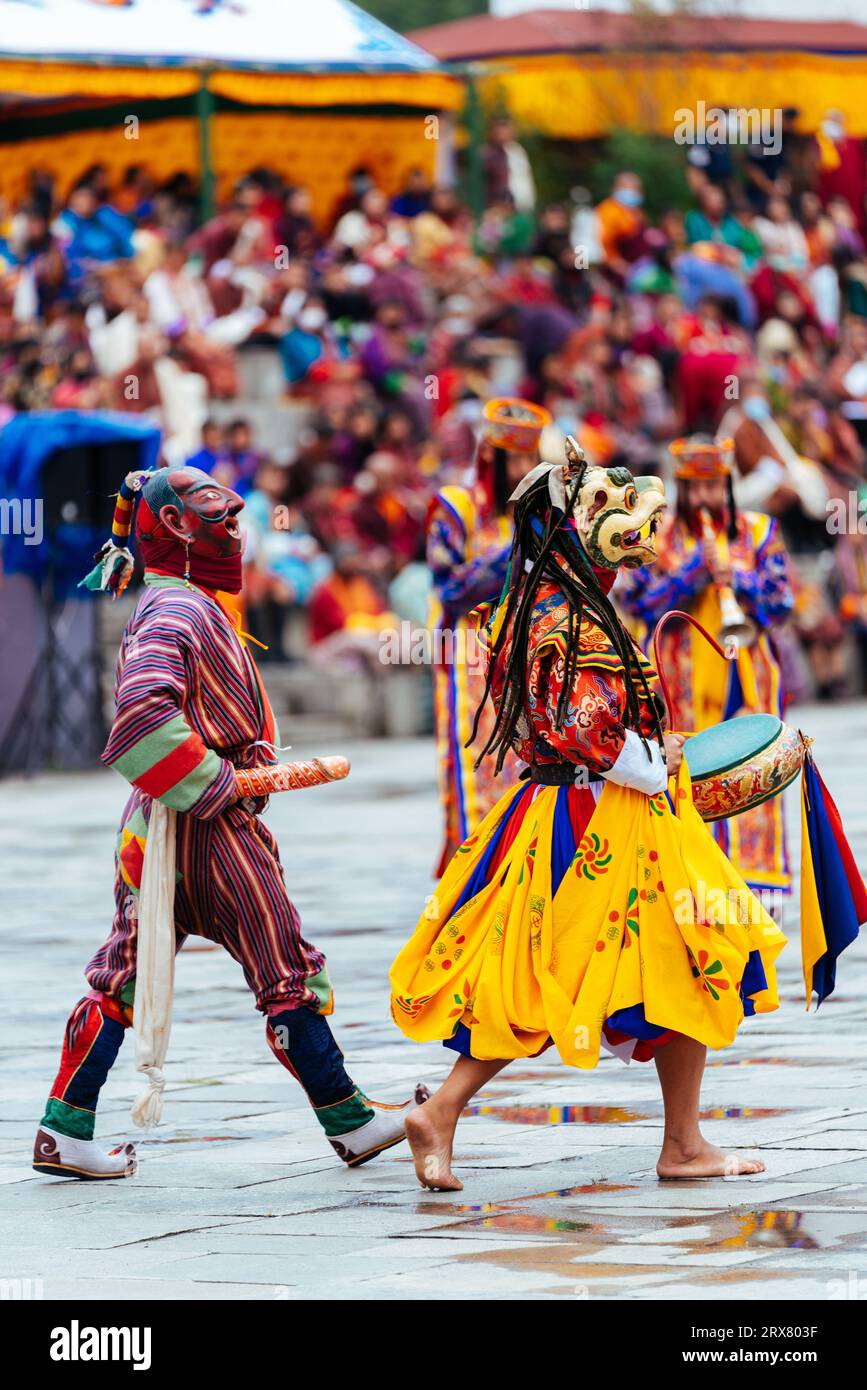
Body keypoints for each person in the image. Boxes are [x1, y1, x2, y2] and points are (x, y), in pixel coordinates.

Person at [390, 443, 790, 1191]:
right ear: (578, 528)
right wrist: (662, 761)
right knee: (583, 970)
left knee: (672, 963)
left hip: (567, 805)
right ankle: (443, 1110)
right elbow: (592, 735)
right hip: (600, 816)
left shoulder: (544, 601)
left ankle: (680, 1143)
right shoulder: (570, 619)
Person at [34, 466, 424, 1181]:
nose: (240, 534)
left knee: (124, 974)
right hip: (206, 828)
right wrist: (217, 784)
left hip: (161, 830)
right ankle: (350, 1121)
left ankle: (64, 1128)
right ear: (181, 527)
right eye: (226, 519)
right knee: (283, 969)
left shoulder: (184, 606)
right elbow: (142, 718)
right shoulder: (177, 611)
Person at [618, 436, 795, 896]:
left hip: (746, 677)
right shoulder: (655, 534)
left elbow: (781, 603)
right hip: (679, 686)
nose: (702, 499)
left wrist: (738, 578)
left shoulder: (759, 531)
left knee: (749, 771)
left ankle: (755, 890)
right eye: (692, 488)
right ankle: (690, 886)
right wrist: (693, 572)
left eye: (712, 488)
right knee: (687, 775)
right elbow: (638, 600)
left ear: (727, 485)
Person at [426, 398, 551, 873]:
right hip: (473, 648)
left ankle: (535, 861)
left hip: (535, 642)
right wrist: (513, 551)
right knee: (478, 755)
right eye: (511, 461)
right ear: (489, 459)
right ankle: (478, 867)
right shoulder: (455, 508)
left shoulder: (547, 508)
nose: (521, 470)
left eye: (528, 459)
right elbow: (450, 588)